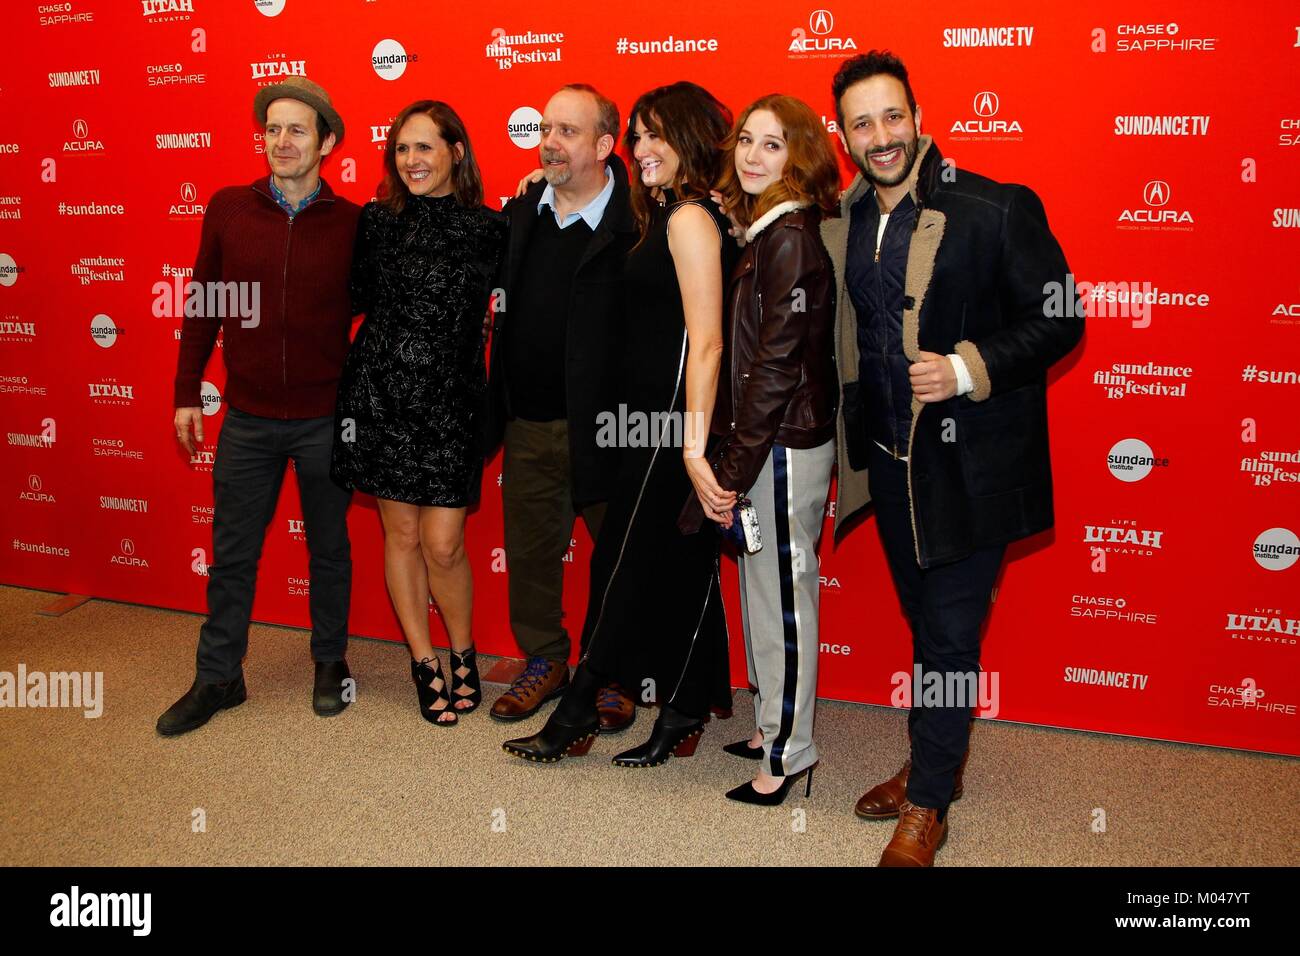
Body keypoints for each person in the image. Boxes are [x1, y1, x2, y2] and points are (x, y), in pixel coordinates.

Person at [824, 51, 1084, 865]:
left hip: (967, 471)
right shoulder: (847, 219)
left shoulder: (994, 207)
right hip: (888, 466)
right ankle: (938, 761)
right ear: (844, 136)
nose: (881, 136)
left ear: (918, 115)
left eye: (891, 116)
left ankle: (929, 801)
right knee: (927, 629)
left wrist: (969, 368)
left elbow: (1062, 316)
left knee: (947, 641)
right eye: (862, 123)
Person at [502, 82, 738, 764]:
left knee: (618, 568)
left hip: (668, 427)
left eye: (658, 134)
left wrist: (692, 446)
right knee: (679, 566)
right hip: (646, 420)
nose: (644, 149)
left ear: (692, 138)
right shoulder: (660, 211)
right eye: (639, 136)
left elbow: (708, 340)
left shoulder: (689, 218)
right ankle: (689, 704)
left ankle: (576, 710)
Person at [159, 77, 361, 735]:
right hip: (246, 418)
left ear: (325, 141)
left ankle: (330, 663)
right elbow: (203, 304)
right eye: (272, 129)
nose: (281, 141)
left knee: (329, 549)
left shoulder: (356, 224)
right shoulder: (228, 208)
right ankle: (219, 677)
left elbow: (383, 319)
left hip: (324, 418)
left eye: (296, 129)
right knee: (233, 553)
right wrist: (187, 391)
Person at [681, 94, 840, 804]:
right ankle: (771, 724)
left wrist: (733, 463)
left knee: (783, 602)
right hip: (768, 443)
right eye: (746, 140)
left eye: (772, 146)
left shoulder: (789, 239)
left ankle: (789, 750)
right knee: (763, 590)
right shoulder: (769, 229)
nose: (751, 155)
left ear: (799, 158)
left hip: (780, 445)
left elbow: (775, 367)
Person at [331, 101, 506, 726]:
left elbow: (513, 310)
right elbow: (347, 298)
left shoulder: (493, 228)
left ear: (456, 151)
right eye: (402, 149)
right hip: (379, 399)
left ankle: (465, 651)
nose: (412, 161)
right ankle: (424, 660)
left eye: (424, 147)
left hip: (453, 406)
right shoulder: (377, 222)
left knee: (445, 543)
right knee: (400, 535)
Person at [483, 84, 638, 730]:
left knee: (623, 557)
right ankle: (544, 661)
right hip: (529, 424)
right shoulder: (521, 212)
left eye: (567, 131)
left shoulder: (637, 224)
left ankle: (617, 671)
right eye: (546, 127)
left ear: (604, 146)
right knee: (532, 554)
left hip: (609, 429)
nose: (549, 141)